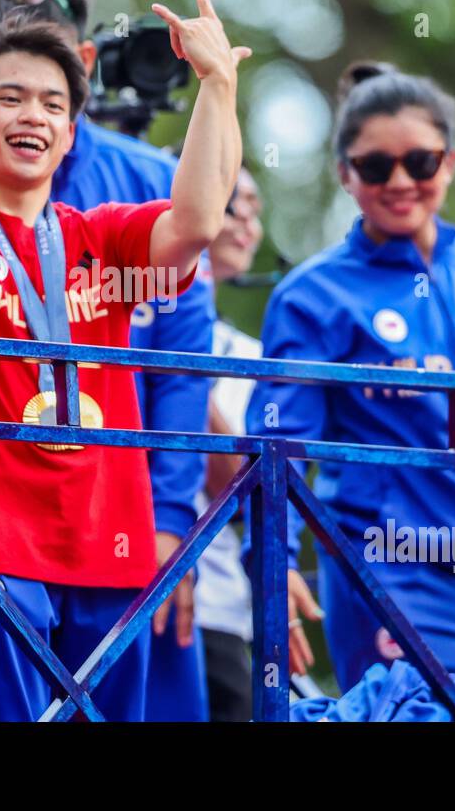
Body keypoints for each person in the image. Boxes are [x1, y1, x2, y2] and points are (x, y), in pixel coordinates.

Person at [0, 0, 248, 720]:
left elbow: (199, 220)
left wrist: (217, 84)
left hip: (113, 551)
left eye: (54, 105)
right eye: (10, 98)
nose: (35, 117)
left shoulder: (100, 238)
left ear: (73, 132)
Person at [248, 61, 455, 721]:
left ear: (449, 162)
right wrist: (271, 570)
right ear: (344, 174)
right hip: (395, 577)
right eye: (374, 167)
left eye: (419, 162)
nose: (399, 182)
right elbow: (275, 449)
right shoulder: (312, 294)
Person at [195, 166, 263, 721]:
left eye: (254, 208)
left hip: (214, 601)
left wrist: (179, 366)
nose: (247, 223)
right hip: (115, 589)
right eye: (230, 205)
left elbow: (236, 489)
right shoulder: (117, 321)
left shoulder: (249, 351)